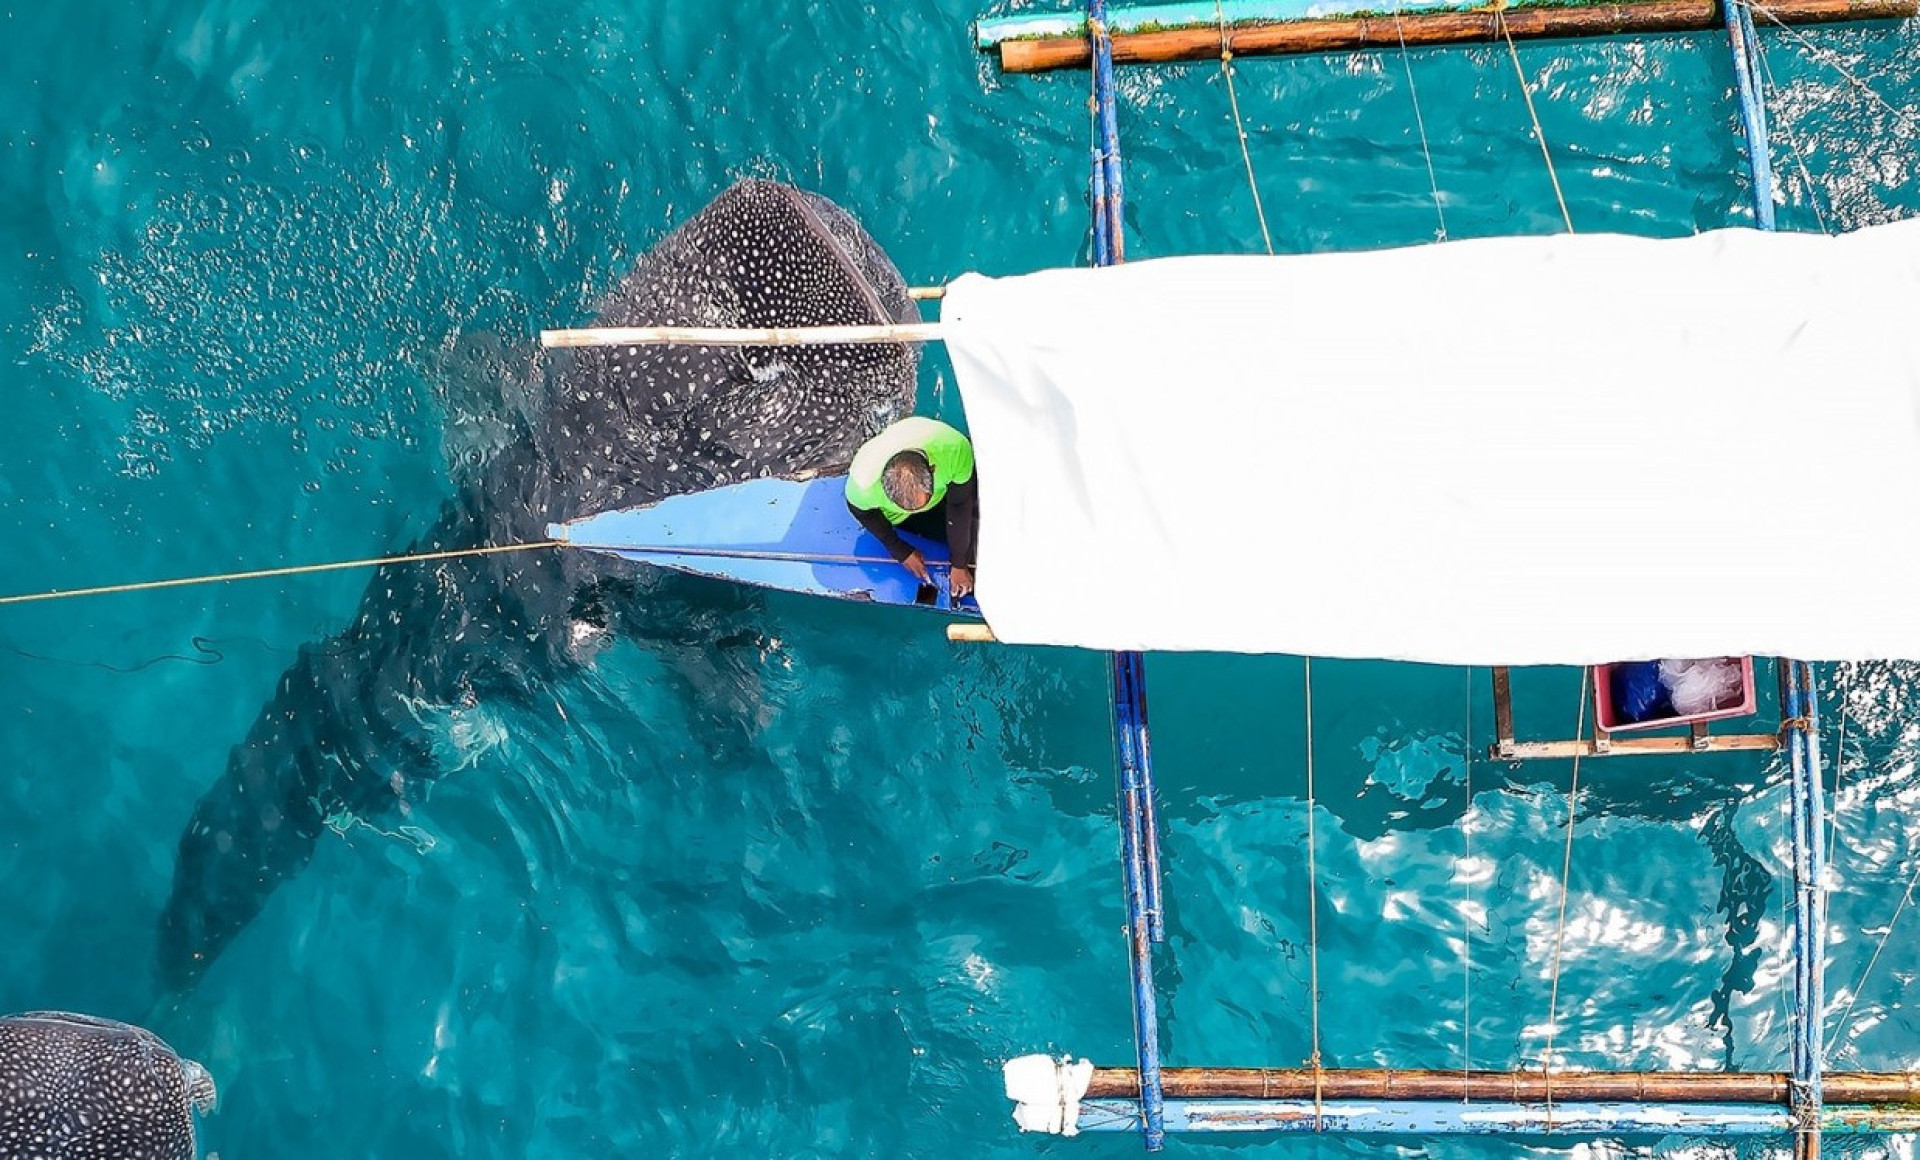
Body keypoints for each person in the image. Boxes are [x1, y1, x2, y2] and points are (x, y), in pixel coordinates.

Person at [844, 416, 978, 599]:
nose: (916, 510)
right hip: (902, 517)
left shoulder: (955, 449)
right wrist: (899, 550)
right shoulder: (863, 485)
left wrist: (959, 563)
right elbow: (860, 511)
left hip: (946, 478)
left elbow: (959, 505)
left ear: (933, 469)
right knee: (978, 540)